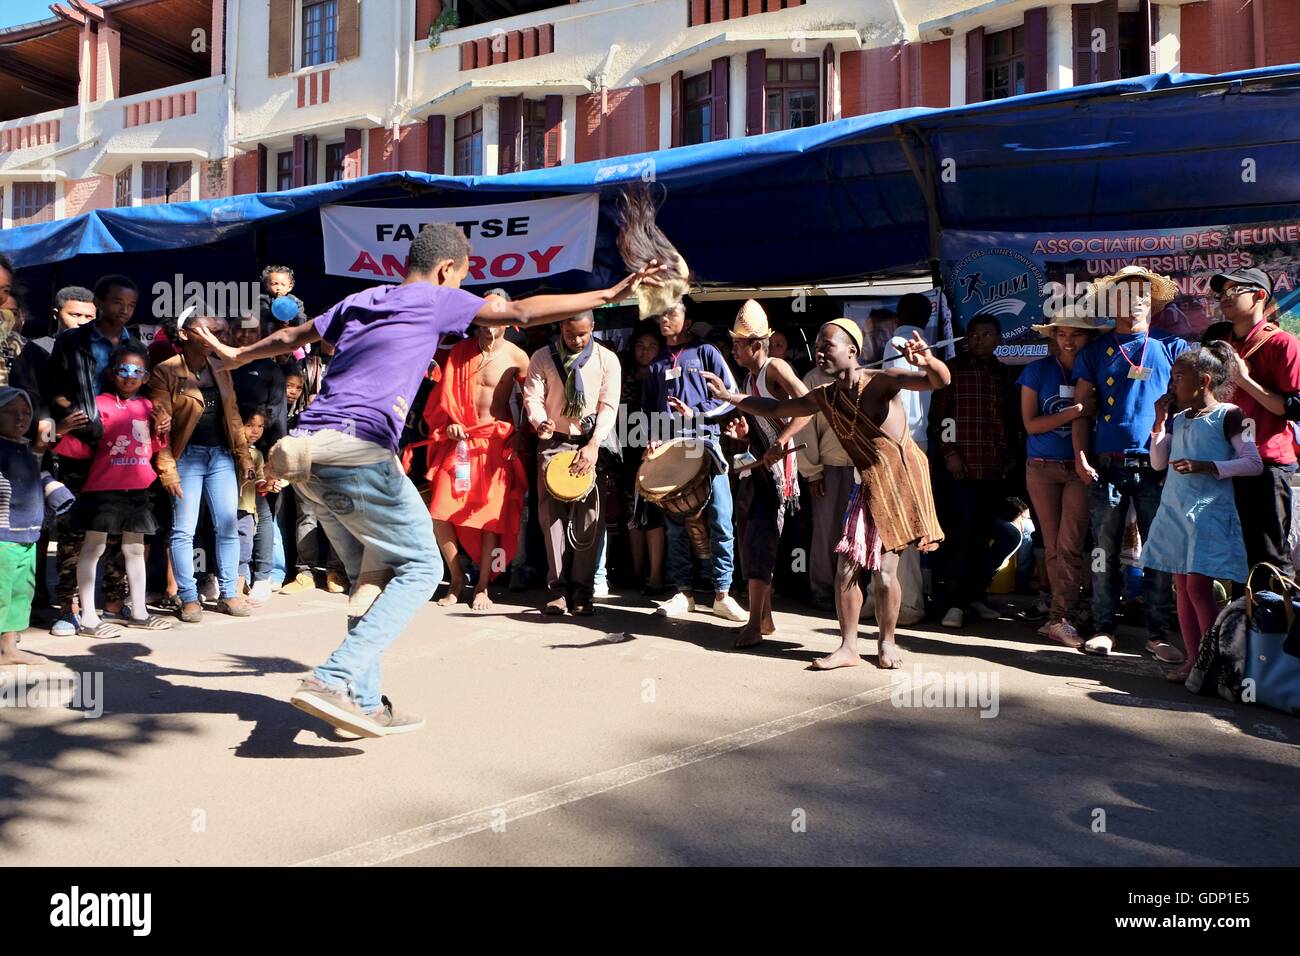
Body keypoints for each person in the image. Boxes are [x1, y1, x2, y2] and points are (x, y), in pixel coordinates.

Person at [192, 223, 664, 738]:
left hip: (304, 456)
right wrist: (609, 293)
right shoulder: (435, 300)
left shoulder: (362, 299)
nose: (464, 289)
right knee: (418, 569)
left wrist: (238, 355)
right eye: (462, 276)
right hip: (355, 454)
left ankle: (366, 702)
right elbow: (521, 311)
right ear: (446, 272)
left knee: (370, 580)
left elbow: (291, 337)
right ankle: (331, 678)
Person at [700, 320, 947, 669]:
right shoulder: (825, 396)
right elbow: (775, 409)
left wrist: (928, 362)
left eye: (827, 345)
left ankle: (887, 642)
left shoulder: (881, 382)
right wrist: (729, 397)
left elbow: (939, 381)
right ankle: (848, 647)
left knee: (886, 573)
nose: (819, 352)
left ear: (852, 351)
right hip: (868, 484)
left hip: (900, 483)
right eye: (817, 346)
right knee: (846, 566)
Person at [1072, 267, 1188, 658]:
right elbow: (1081, 410)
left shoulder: (1174, 348)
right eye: (1125, 295)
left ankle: (1158, 633)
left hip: (1158, 467)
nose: (1134, 301)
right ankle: (1104, 627)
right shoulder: (1093, 351)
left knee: (1159, 550)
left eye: (1142, 295)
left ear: (1152, 302)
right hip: (1107, 465)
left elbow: (1192, 406)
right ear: (1112, 302)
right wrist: (1080, 454)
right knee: (1103, 549)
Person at [1143, 343, 1261, 682]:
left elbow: (1253, 463)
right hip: (1176, 510)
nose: (1172, 385)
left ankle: (1212, 664)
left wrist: (1207, 466)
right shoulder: (1178, 418)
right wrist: (1159, 424)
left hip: (1208, 512)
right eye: (1172, 377)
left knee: (1197, 587)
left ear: (1204, 380)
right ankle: (1193, 662)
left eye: (1179, 377)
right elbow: (1157, 462)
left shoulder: (1235, 415)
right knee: (1182, 586)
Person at [54, 344, 172, 636]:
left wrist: (162, 430)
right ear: (111, 372)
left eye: (137, 371)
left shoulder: (148, 407)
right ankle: (89, 617)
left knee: (134, 548)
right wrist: (60, 432)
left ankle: (140, 612)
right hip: (102, 489)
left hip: (139, 489)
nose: (129, 376)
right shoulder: (97, 404)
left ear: (146, 376)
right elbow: (79, 448)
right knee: (93, 548)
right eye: (123, 369)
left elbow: (153, 447)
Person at [45, 275, 140, 636]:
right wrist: (70, 416)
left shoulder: (133, 342)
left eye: (131, 305)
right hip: (83, 446)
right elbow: (54, 387)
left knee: (117, 527)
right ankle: (67, 606)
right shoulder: (73, 340)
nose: (125, 311)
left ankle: (112, 603)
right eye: (118, 302)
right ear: (99, 302)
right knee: (75, 527)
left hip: (123, 450)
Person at [641, 301, 746, 623]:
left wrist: (696, 413)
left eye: (671, 313)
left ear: (687, 320)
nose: (664, 319)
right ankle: (683, 592)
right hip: (672, 453)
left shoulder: (706, 352)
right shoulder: (656, 364)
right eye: (661, 314)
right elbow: (648, 411)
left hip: (707, 447)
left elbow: (731, 394)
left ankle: (722, 594)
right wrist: (652, 438)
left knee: (721, 520)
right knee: (675, 527)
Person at [147, 314, 254, 623]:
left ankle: (229, 594)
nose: (213, 335)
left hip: (220, 456)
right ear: (183, 333)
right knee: (184, 530)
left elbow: (233, 416)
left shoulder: (221, 369)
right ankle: (188, 597)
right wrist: (167, 468)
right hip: (185, 457)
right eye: (206, 330)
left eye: (219, 331)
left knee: (228, 526)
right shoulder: (165, 371)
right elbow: (160, 427)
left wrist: (244, 456)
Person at [723, 300, 810, 647]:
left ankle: (755, 625)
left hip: (776, 474)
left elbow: (808, 405)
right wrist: (746, 436)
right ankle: (765, 617)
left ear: (756, 345)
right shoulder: (748, 377)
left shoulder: (776, 368)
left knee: (759, 543)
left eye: (738, 344)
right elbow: (763, 423)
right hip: (757, 469)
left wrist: (783, 440)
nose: (733, 350)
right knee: (751, 540)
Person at [928, 314, 1023, 628]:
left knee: (983, 536)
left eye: (987, 334)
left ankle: (974, 597)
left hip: (992, 469)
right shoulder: (952, 370)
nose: (979, 339)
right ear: (966, 338)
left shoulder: (1002, 374)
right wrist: (949, 453)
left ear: (998, 340)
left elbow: (1009, 422)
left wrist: (1008, 460)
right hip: (959, 470)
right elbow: (939, 419)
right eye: (974, 334)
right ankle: (951, 603)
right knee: (958, 536)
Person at [425, 322, 529, 611]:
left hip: (495, 442)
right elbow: (444, 396)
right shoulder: (460, 351)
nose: (488, 329)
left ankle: (483, 585)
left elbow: (530, 401)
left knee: (490, 518)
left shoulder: (518, 357)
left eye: (494, 324)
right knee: (439, 513)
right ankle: (457, 578)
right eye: (482, 324)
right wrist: (450, 423)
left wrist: (520, 435)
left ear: (508, 323)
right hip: (459, 442)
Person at [523, 310, 620, 615]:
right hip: (553, 443)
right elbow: (533, 397)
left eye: (582, 334)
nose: (576, 340)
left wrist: (593, 446)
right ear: (561, 328)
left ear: (592, 328)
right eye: (569, 334)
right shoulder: (541, 356)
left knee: (589, 520)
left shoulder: (607, 360)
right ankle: (559, 590)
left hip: (590, 443)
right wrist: (540, 423)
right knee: (550, 519)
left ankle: (582, 591)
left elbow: (608, 407)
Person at [1210, 267, 1300, 583]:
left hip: (1266, 463)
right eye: (1220, 293)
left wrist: (1244, 380)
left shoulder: (1282, 343)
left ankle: (1278, 629)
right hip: (1222, 461)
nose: (1224, 299)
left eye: (1233, 291)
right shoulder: (1217, 340)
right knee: (1234, 557)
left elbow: (1292, 409)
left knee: (1269, 559)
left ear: (1259, 295)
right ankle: (1239, 627)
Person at [1018, 306, 1098, 647]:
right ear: (1052, 338)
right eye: (1061, 334)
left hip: (1079, 468)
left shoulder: (1095, 371)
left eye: (1076, 333)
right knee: (1052, 546)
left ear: (1089, 338)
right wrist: (1076, 411)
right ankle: (1060, 616)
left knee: (1071, 545)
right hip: (1041, 466)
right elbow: (1031, 424)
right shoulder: (1037, 370)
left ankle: (1063, 614)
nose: (1068, 340)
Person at [0, 387, 75, 664]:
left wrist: (55, 492)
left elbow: (36, 475)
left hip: (28, 534)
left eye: (25, 412)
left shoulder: (23, 446)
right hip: (2, 536)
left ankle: (8, 649)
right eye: (10, 412)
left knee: (21, 593)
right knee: (1, 593)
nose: (20, 418)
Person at [620, 328, 666, 594]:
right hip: (627, 452)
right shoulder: (623, 375)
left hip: (657, 451)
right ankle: (637, 572)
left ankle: (656, 575)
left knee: (654, 514)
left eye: (651, 345)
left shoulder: (663, 376)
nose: (645, 351)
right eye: (640, 344)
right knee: (632, 515)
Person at [235, 404, 280, 603]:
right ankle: (230, 585)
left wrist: (268, 485)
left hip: (247, 509)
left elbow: (259, 483)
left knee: (244, 548)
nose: (255, 430)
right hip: (228, 508)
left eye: (260, 426)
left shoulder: (258, 455)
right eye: (249, 425)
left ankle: (241, 586)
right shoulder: (230, 451)